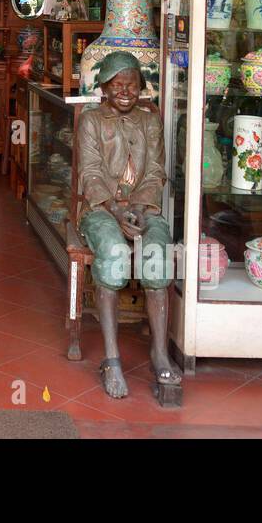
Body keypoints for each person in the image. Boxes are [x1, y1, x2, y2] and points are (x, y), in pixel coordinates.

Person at [74, 50, 181, 399]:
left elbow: (155, 172)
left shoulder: (151, 121)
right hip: (101, 208)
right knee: (115, 252)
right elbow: (90, 173)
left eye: (131, 85)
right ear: (104, 87)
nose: (125, 91)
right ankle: (112, 357)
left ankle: (159, 351)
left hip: (143, 207)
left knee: (157, 252)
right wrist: (116, 213)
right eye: (117, 84)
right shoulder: (91, 120)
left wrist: (137, 208)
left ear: (140, 88)